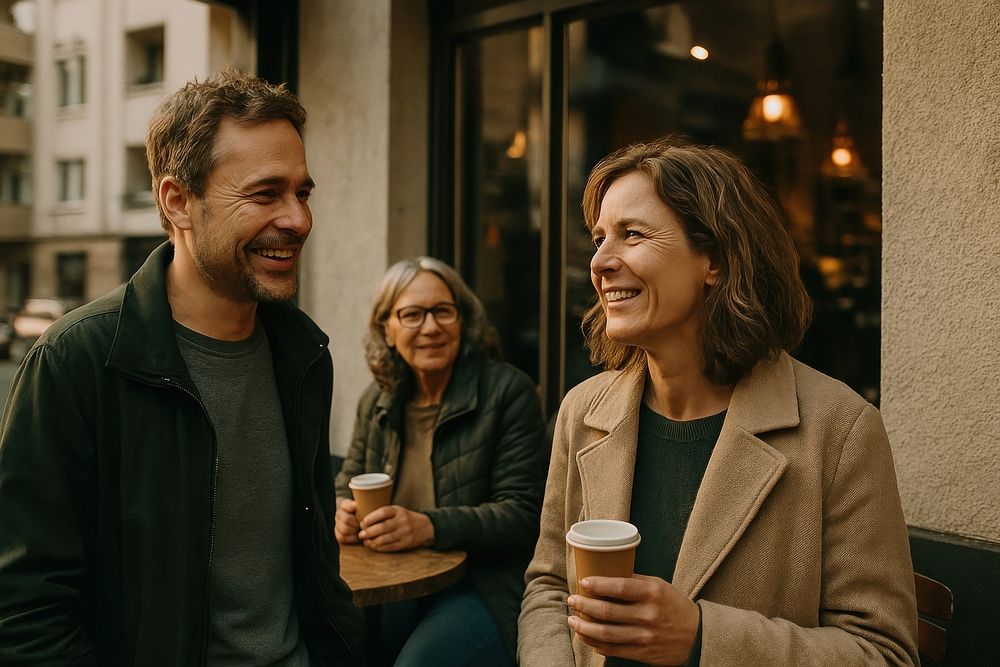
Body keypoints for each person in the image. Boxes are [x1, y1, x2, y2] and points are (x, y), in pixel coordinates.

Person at [0, 68, 362, 665]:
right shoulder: (75, 362)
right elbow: (23, 611)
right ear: (177, 202)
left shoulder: (302, 355)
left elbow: (314, 566)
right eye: (265, 193)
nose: (298, 219)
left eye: (302, 192)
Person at [518, 137, 918, 666]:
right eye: (598, 239)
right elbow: (549, 584)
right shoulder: (582, 411)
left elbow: (884, 654)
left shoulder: (840, 431)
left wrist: (702, 638)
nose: (600, 262)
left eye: (631, 235)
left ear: (717, 260)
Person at [334, 257, 546, 666]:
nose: (430, 327)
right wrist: (341, 512)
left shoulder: (507, 393)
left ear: (462, 321)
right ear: (387, 331)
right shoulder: (378, 400)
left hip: (483, 583)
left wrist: (427, 526)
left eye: (442, 312)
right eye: (412, 315)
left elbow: (523, 516)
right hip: (393, 581)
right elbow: (348, 481)